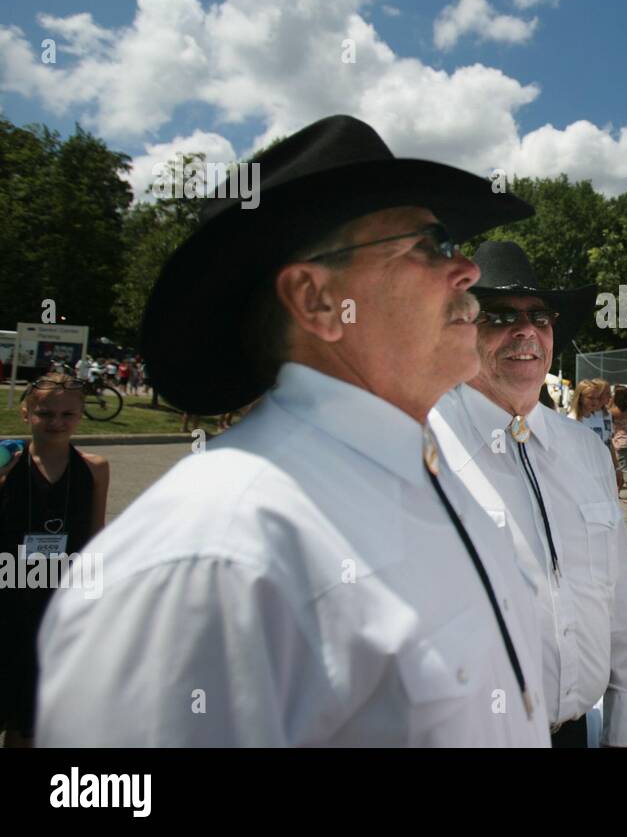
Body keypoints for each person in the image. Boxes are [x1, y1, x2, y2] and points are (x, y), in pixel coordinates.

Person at [36, 114, 550, 746]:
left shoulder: (432, 476)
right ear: (317, 301)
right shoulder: (211, 559)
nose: (468, 269)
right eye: (432, 245)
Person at [428, 241, 627, 747]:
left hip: (577, 736)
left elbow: (621, 612)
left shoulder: (586, 451)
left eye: (540, 316)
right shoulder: (422, 445)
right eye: (500, 315)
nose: (526, 330)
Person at [0, 373, 108, 748]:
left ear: (81, 415)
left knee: (29, 717)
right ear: (26, 412)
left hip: (53, 603)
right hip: (6, 594)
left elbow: (94, 539)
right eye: (45, 413)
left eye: (68, 414)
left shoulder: (93, 469)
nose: (57, 423)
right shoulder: (7, 463)